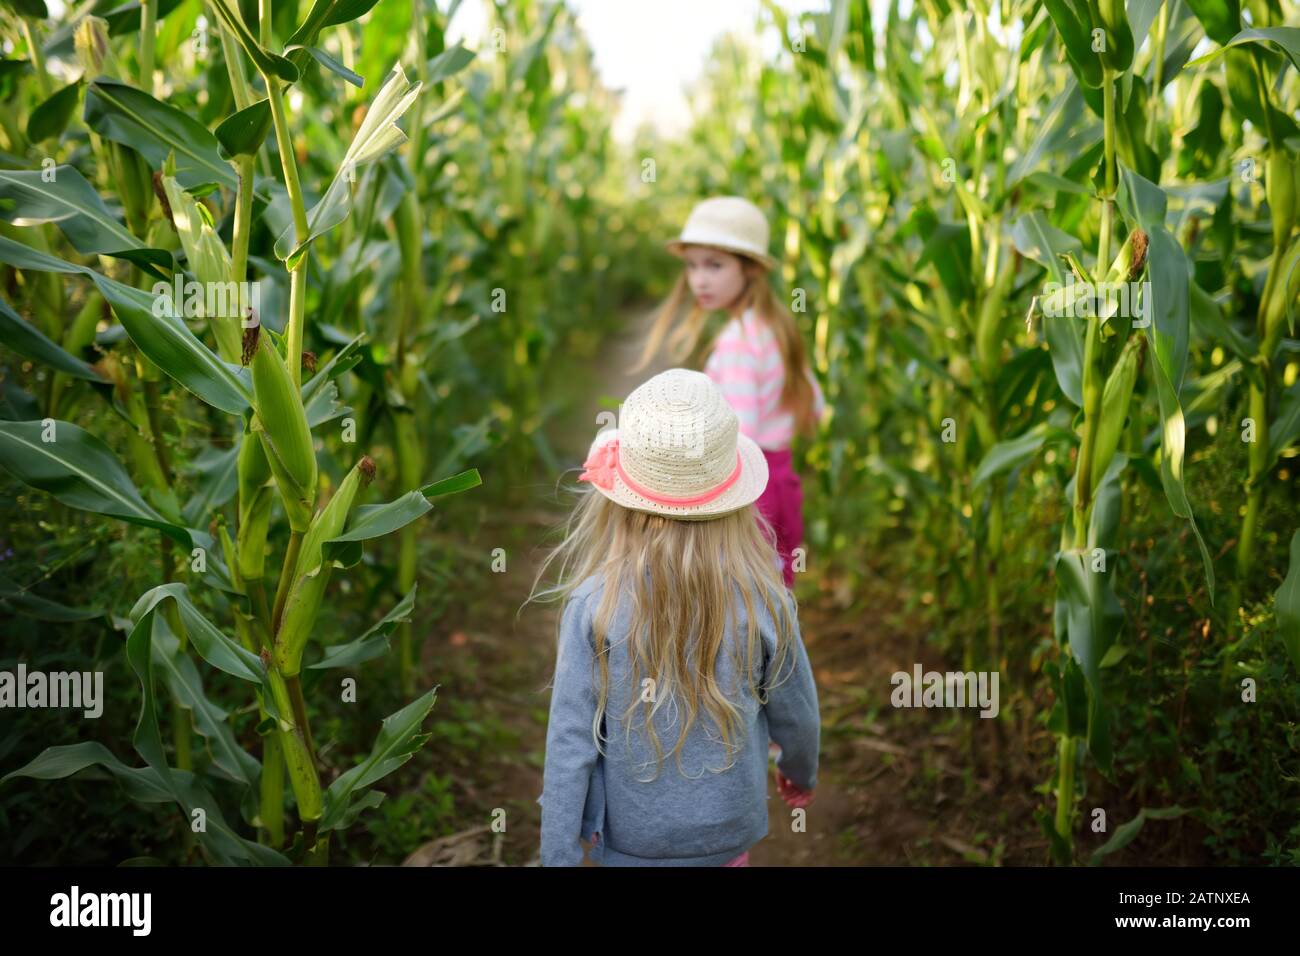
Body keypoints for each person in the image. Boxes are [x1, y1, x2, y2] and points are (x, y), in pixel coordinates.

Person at [531, 368, 820, 866]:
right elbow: (796, 714)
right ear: (733, 505)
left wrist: (557, 854)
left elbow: (569, 741)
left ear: (618, 504)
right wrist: (800, 772)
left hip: (629, 843)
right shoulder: (766, 601)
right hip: (728, 837)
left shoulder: (595, 603)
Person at [632, 195, 826, 588]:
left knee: (740, 602)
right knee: (774, 598)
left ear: (750, 269)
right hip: (782, 483)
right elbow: (816, 406)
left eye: (715, 265)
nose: (699, 279)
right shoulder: (776, 327)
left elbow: (740, 439)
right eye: (691, 266)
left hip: (751, 495)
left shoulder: (737, 341)